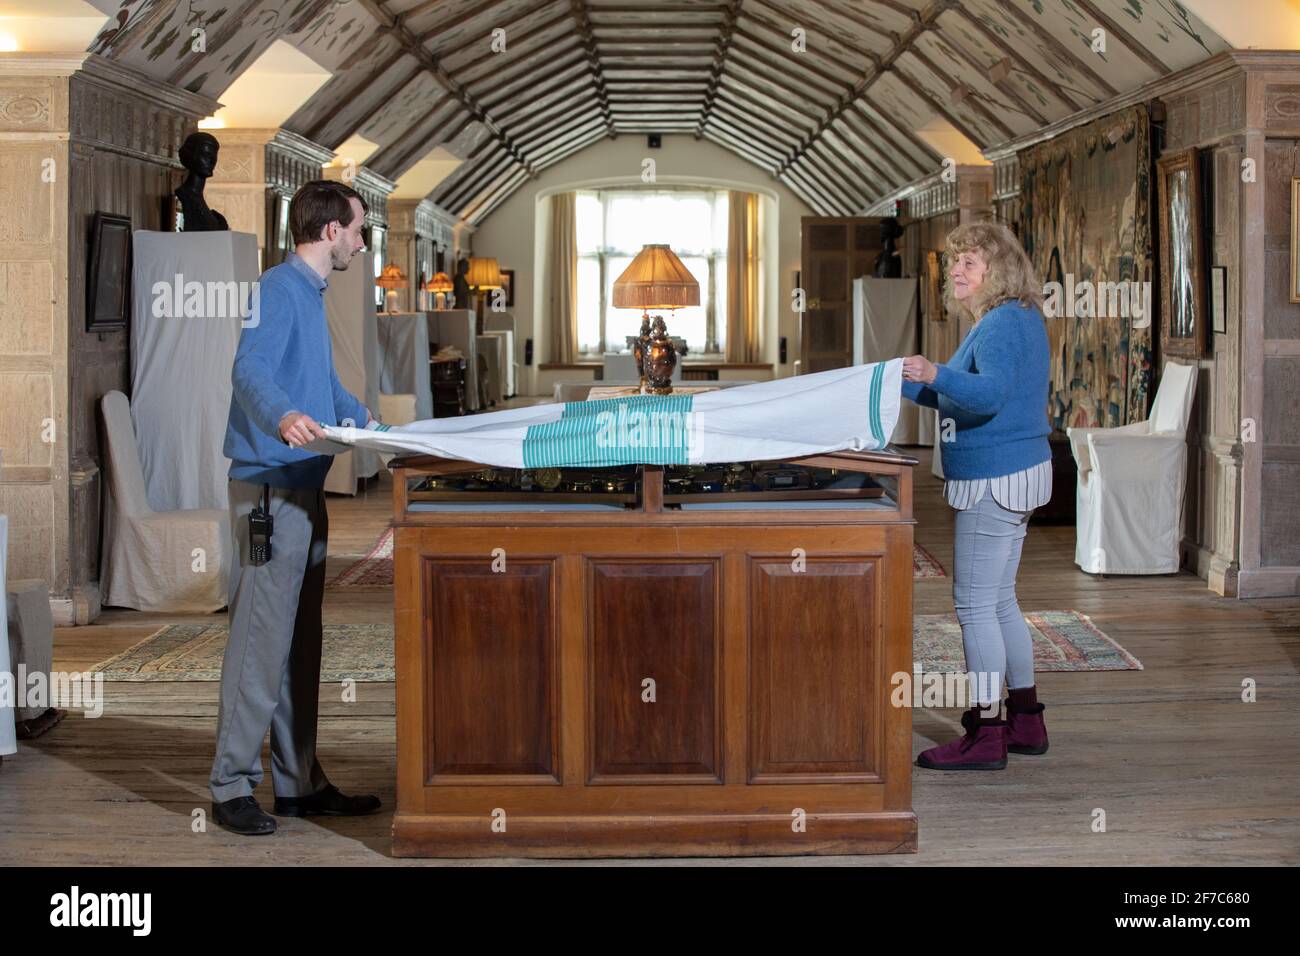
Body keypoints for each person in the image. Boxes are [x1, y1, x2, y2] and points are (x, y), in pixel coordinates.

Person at [210, 179, 381, 834]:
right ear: (331, 230)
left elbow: (318, 380)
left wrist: (357, 414)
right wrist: (281, 417)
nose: (361, 245)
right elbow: (250, 368)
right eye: (359, 231)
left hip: (305, 489)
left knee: (299, 643)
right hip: (271, 494)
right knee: (260, 642)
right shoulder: (278, 290)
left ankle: (298, 779)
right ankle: (230, 786)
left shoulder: (308, 295)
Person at [900, 221, 1052, 771]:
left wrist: (935, 371)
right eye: (954, 261)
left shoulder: (1004, 323)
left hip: (996, 475)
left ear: (999, 269)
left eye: (970, 262)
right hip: (1015, 470)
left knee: (973, 606)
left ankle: (986, 732)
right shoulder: (1009, 317)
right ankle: (1026, 720)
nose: (957, 271)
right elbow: (956, 391)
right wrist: (898, 379)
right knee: (1000, 601)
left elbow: (986, 395)